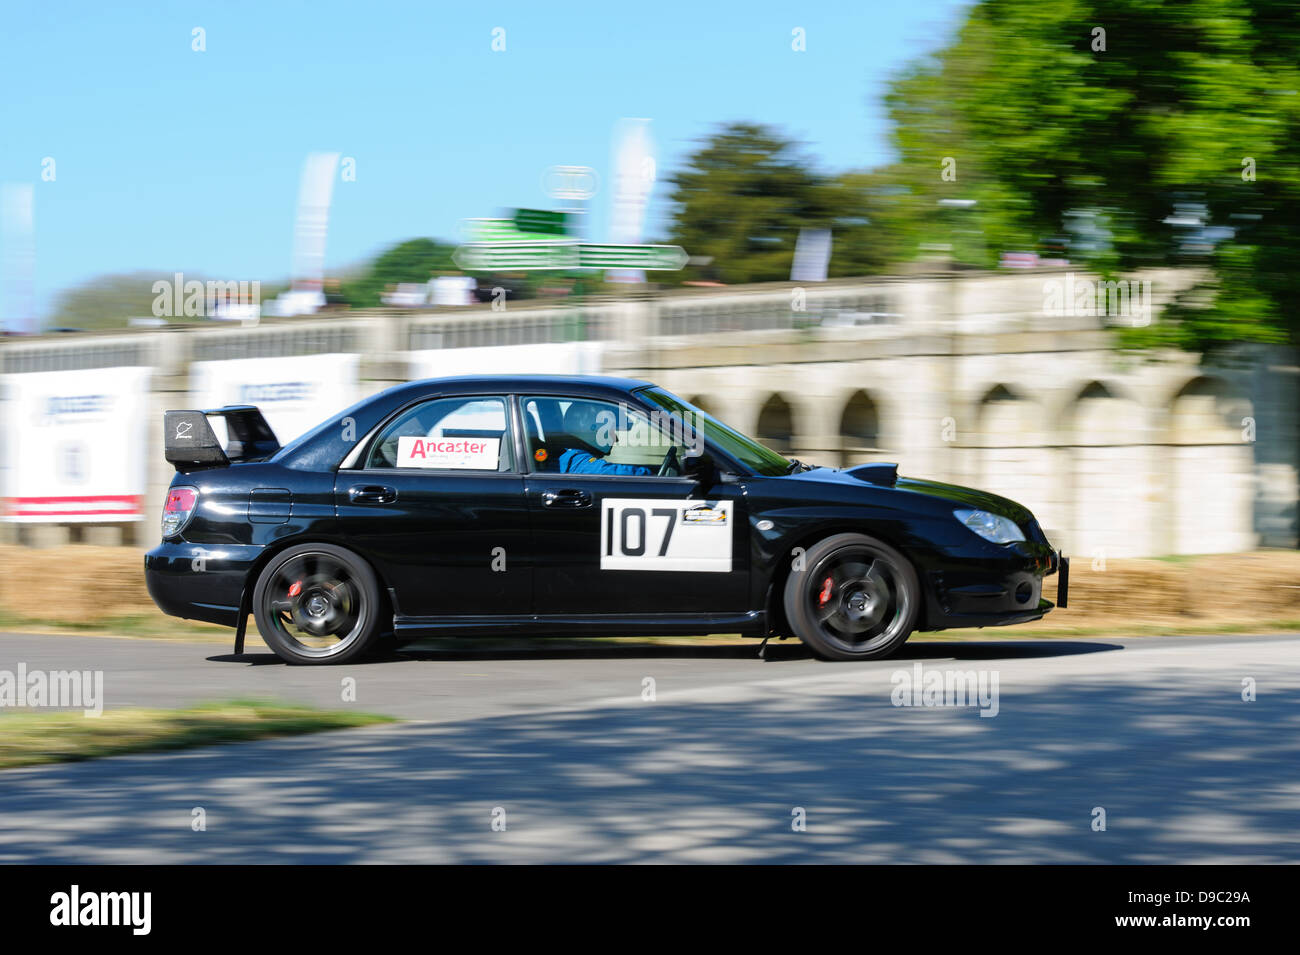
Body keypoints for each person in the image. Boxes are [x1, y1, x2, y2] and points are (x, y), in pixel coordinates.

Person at [555, 402, 654, 476]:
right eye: (611, 430)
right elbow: (612, 472)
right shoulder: (576, 461)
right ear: (594, 429)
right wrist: (653, 476)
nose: (616, 439)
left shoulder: (573, 456)